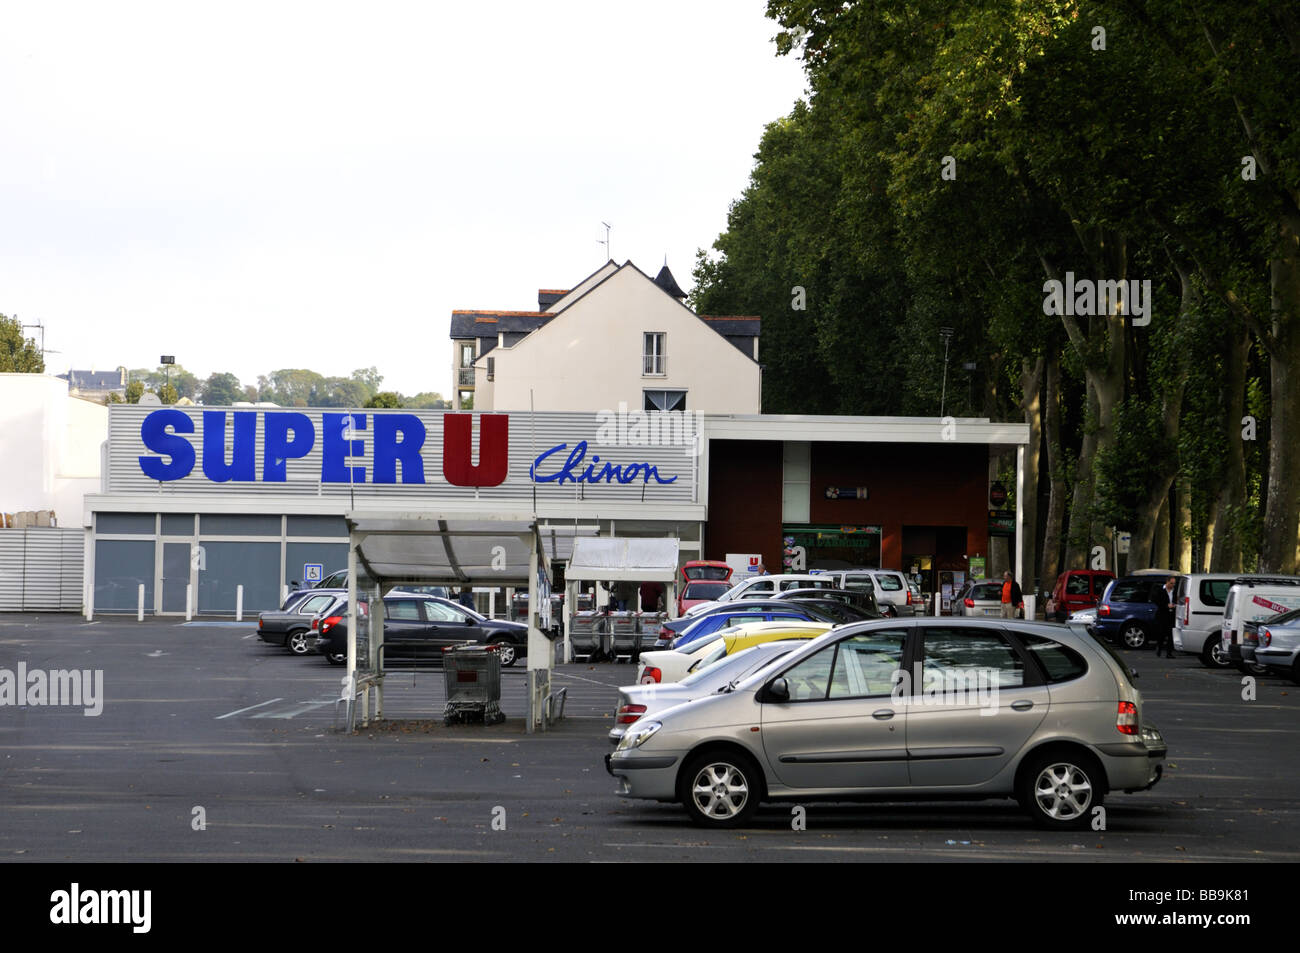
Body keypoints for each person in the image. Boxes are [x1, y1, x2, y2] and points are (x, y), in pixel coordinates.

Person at [1153, 576, 1176, 658]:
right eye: (1171, 583)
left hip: (1171, 615)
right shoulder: (1160, 590)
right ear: (1167, 582)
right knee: (1161, 634)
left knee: (1171, 635)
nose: (1173, 585)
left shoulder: (1175, 591)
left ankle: (1169, 653)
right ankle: (1159, 648)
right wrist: (1166, 606)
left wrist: (1174, 605)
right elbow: (1156, 601)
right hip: (1162, 615)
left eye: (1174, 583)